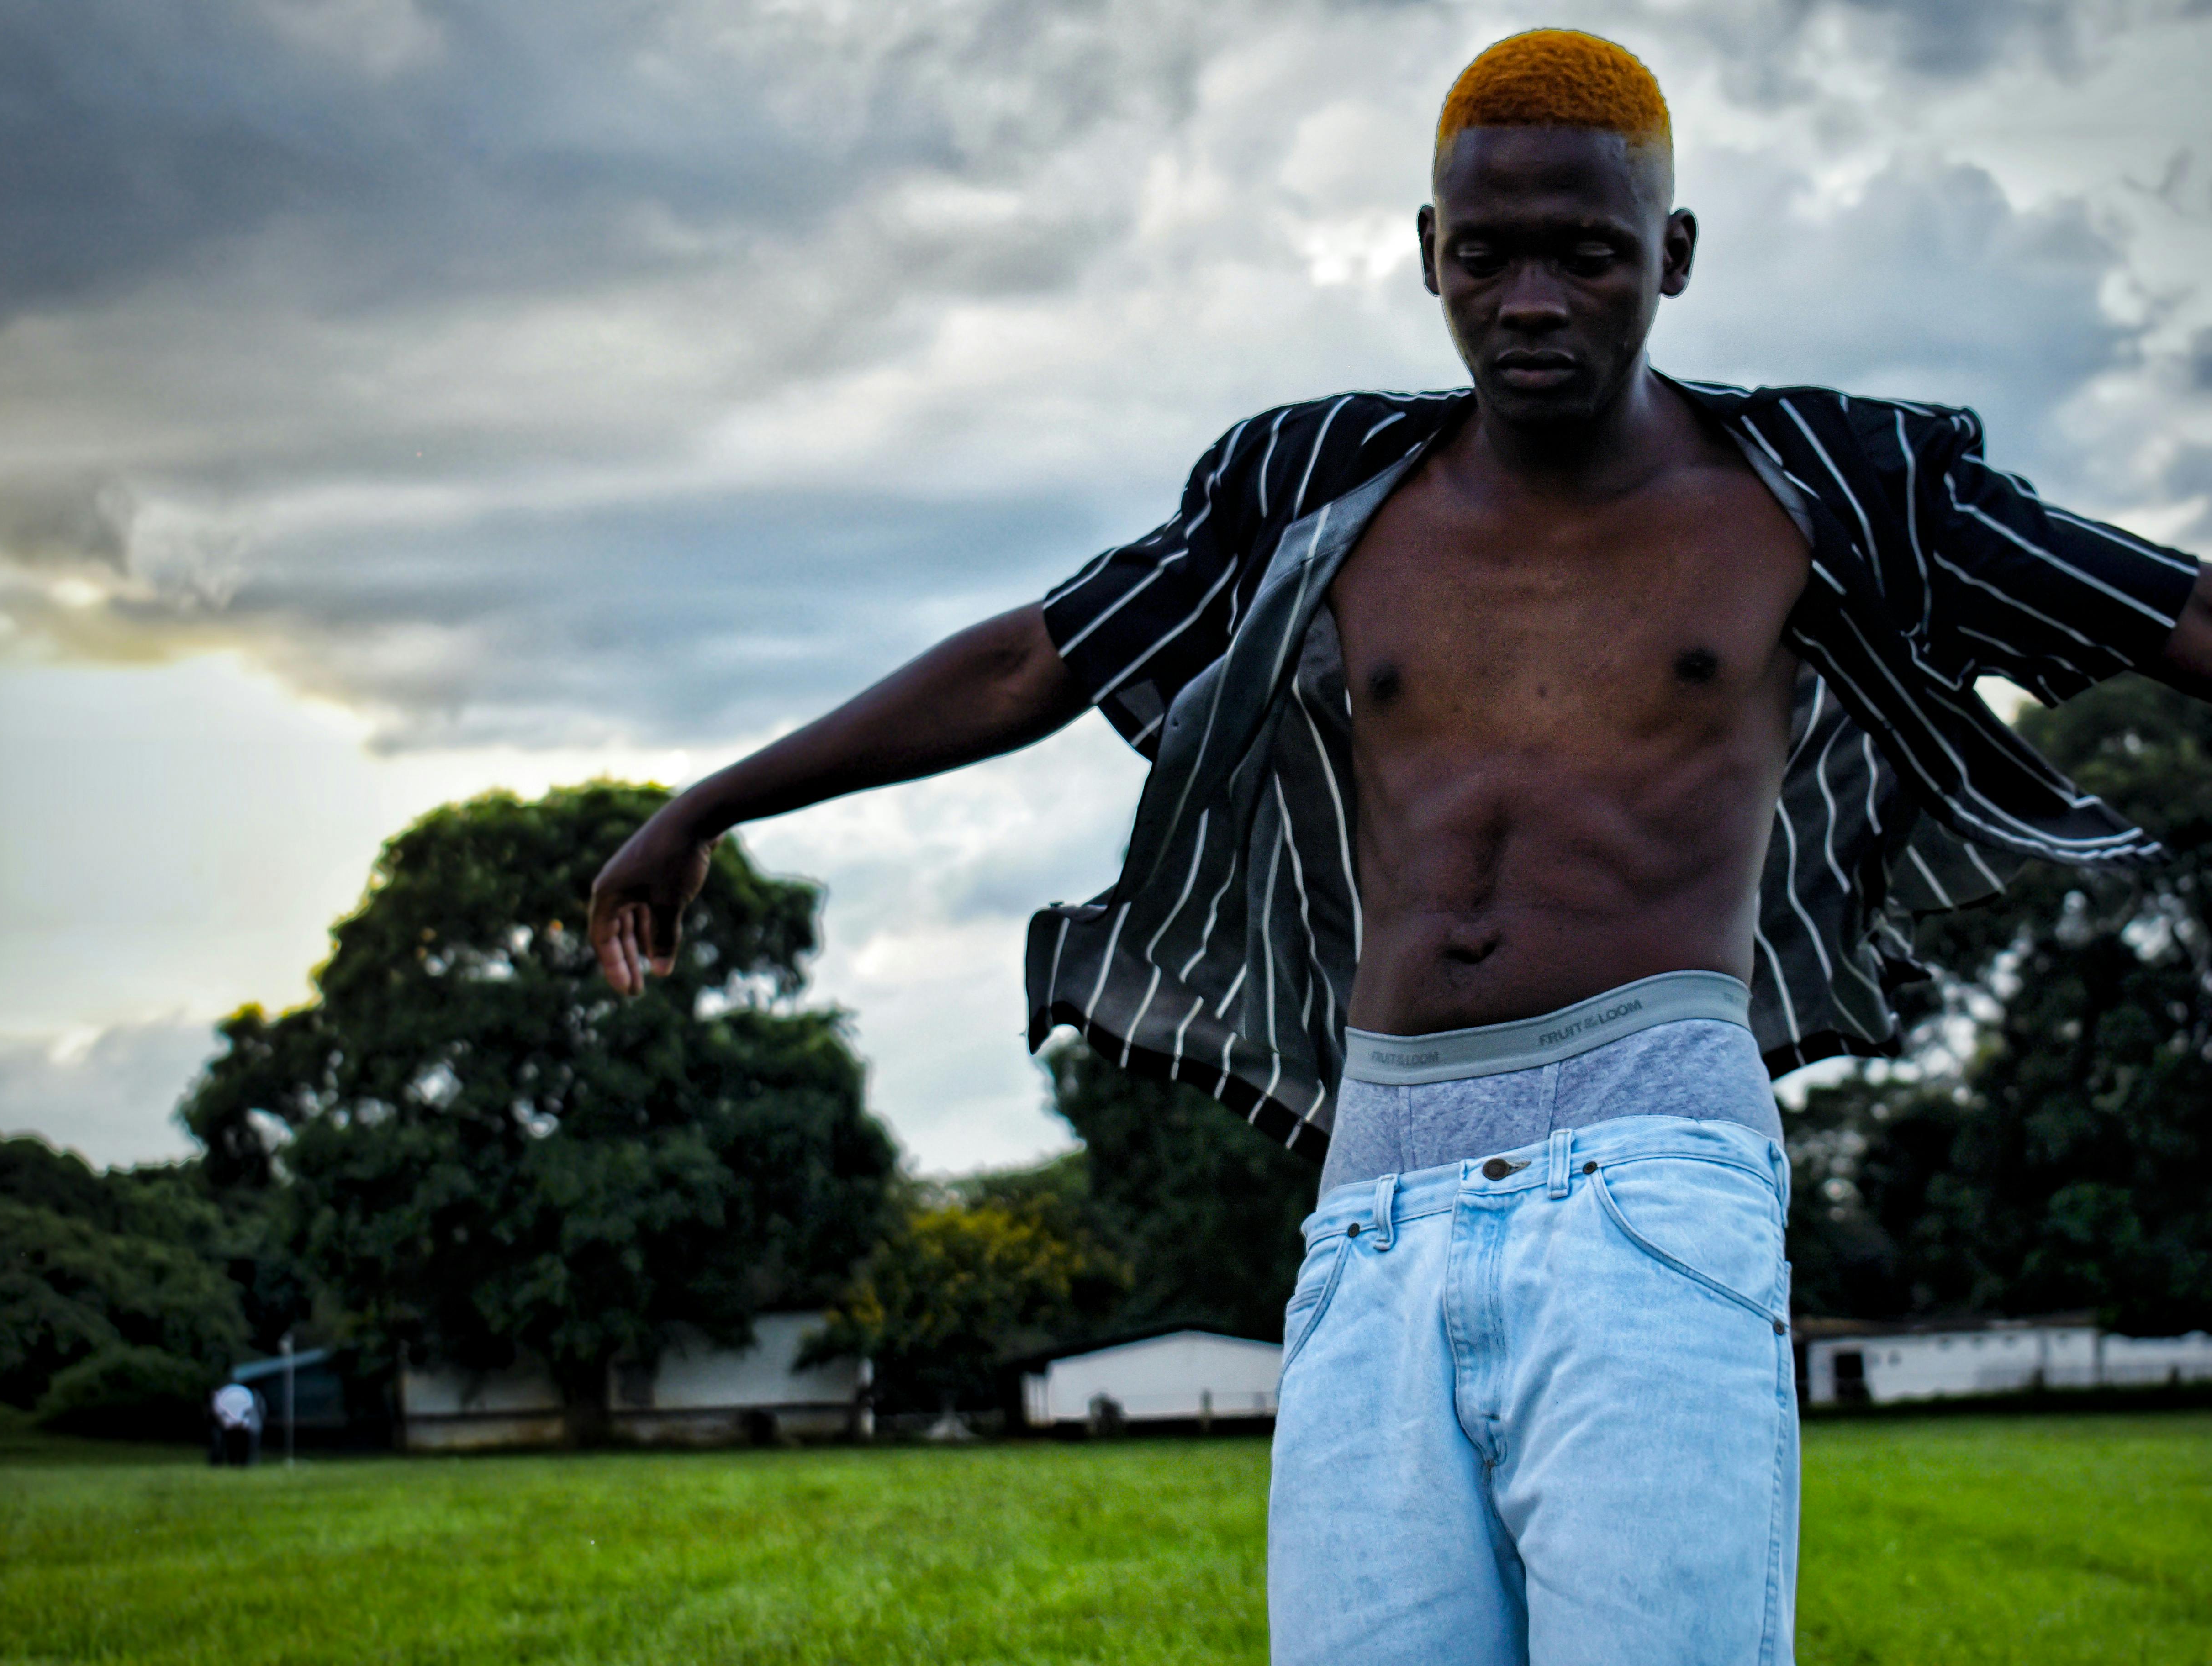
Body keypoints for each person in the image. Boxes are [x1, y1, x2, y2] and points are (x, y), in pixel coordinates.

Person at [589, 28, 2212, 1665]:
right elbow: (1037, 658)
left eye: (1585, 255)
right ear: (1428, 252)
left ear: (1673, 253)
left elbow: (2172, 608)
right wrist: (706, 801)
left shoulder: (1829, 487)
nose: (1529, 303)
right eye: (1486, 255)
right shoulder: (1313, 487)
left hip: (1654, 1176)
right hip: (1374, 1201)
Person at [209, 1381, 263, 1468]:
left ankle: (241, 1463)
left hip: (240, 1426)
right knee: (233, 1445)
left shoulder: (240, 1396)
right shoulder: (240, 1395)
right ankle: (235, 1463)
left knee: (239, 1444)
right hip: (235, 1425)